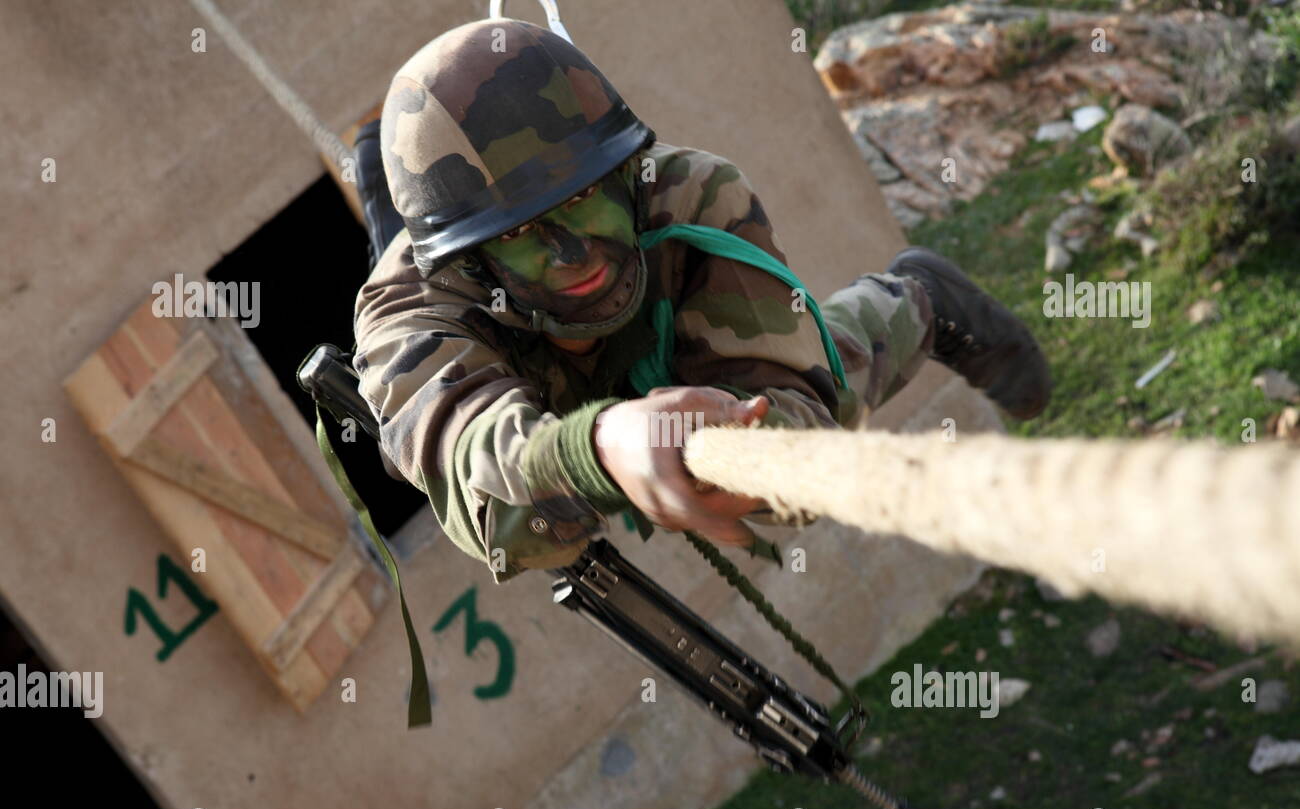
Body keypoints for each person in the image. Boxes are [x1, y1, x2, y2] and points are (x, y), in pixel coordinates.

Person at [352, 18, 1051, 582]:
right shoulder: (407, 311)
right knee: (522, 526)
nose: (575, 252)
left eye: (585, 198)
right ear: (471, 258)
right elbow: (466, 450)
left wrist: (706, 445)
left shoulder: (688, 192)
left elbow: (795, 425)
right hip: (520, 394)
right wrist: (595, 449)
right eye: (525, 234)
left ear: (624, 171)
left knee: (793, 474)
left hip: (669, 329)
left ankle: (921, 300)